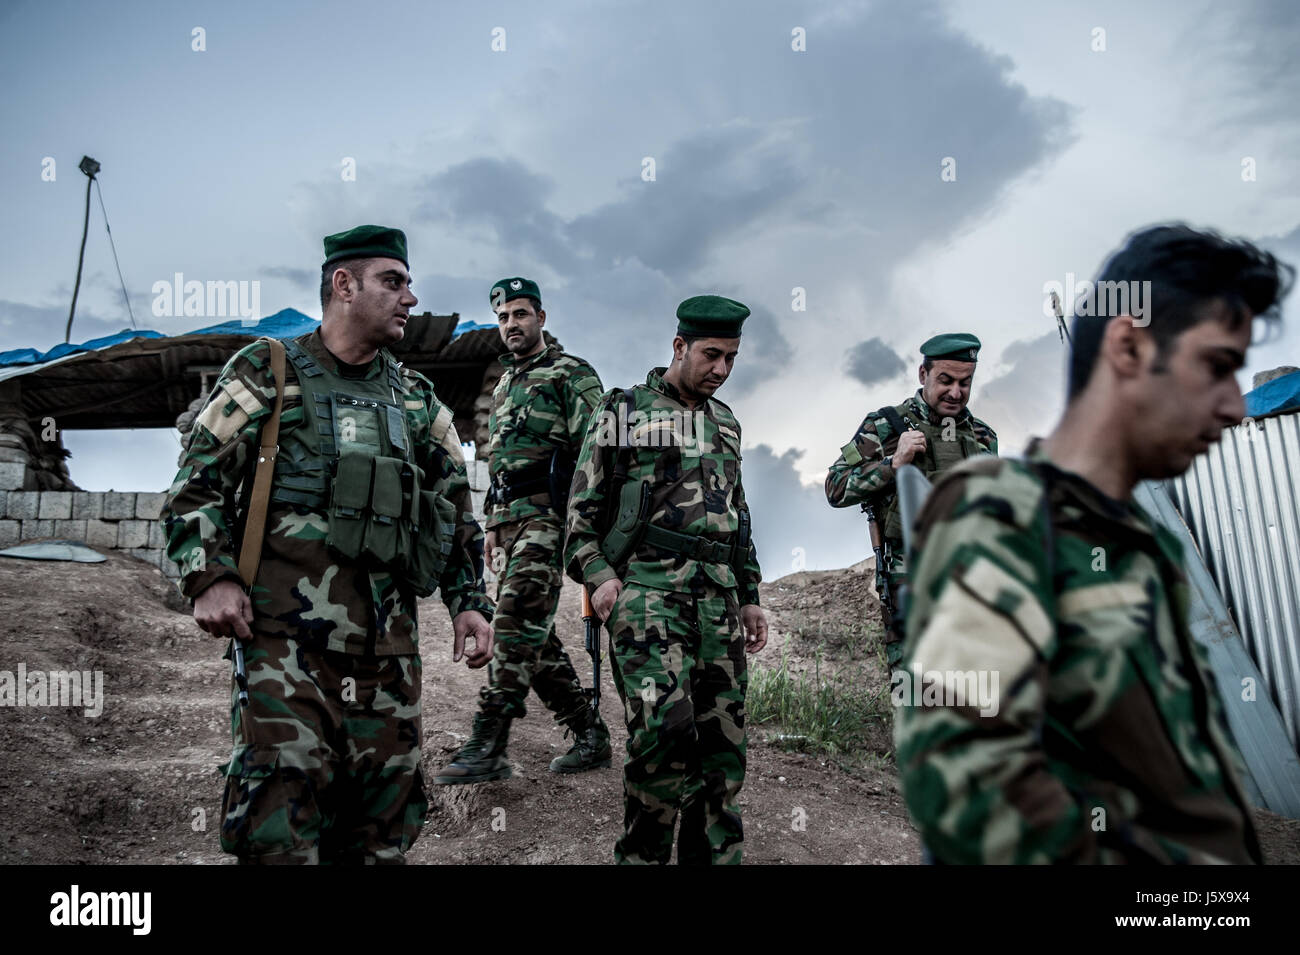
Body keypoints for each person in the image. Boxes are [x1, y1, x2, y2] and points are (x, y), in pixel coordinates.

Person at [894, 224, 1293, 863]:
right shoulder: (1001, 516)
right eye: (1216, 366)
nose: (1231, 406)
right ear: (1129, 347)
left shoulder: (1144, 546)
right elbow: (970, 799)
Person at [160, 225, 494, 864]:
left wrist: (469, 601)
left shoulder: (417, 398)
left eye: (408, 284)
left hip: (389, 659)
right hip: (285, 652)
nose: (410, 299)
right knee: (279, 831)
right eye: (393, 282)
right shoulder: (267, 370)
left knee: (381, 834)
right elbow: (194, 483)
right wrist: (210, 575)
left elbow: (452, 508)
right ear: (344, 285)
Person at [565, 294, 768, 865]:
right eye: (711, 355)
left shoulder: (725, 422)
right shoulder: (624, 410)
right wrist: (605, 583)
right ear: (679, 346)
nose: (722, 370)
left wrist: (750, 597)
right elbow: (579, 518)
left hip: (718, 604)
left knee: (723, 748)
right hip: (647, 597)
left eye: (731, 358)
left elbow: (739, 519)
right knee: (664, 734)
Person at [434, 278, 610, 784]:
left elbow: (594, 457)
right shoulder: (506, 383)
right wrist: (493, 525)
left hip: (551, 519)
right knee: (534, 633)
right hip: (510, 523)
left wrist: (586, 534)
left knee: (513, 624)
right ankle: (588, 732)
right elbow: (498, 462)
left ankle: (488, 742)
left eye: (520, 314)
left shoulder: (571, 374)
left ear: (541, 317)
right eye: (504, 316)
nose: (511, 324)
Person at [825, 333, 996, 669]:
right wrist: (892, 464)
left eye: (965, 382)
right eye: (945, 380)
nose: (955, 392)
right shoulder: (885, 426)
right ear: (923, 375)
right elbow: (836, 487)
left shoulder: (982, 437)